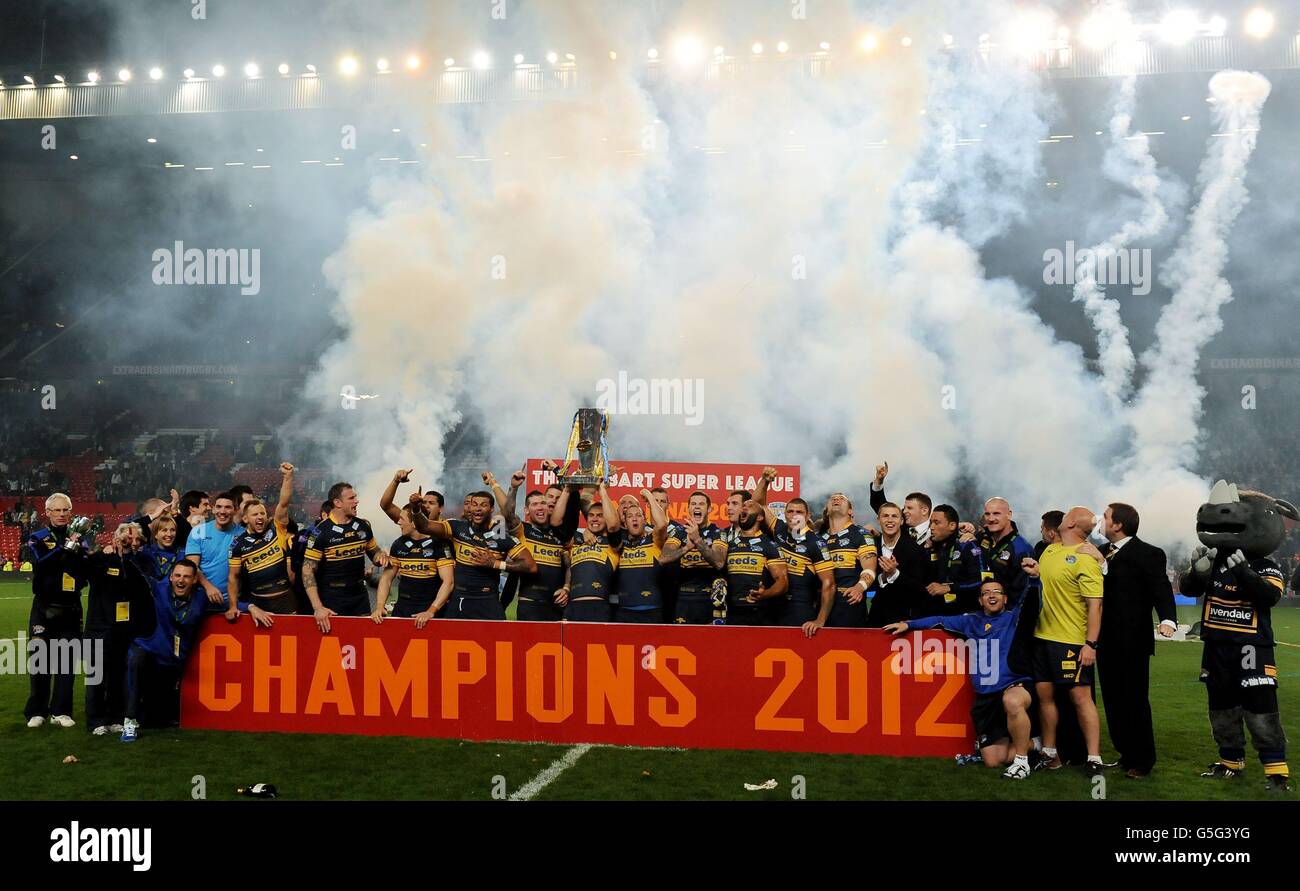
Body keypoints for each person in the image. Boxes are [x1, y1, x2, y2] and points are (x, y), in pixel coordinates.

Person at [885, 580, 1037, 779]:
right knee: (993, 761)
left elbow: (1033, 605)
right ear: (980, 600)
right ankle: (1038, 743)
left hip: (1013, 685)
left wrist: (1034, 579)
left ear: (1005, 598)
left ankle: (1021, 762)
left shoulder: (1014, 618)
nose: (992, 596)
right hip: (985, 698)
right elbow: (939, 619)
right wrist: (909, 624)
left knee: (1013, 701)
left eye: (997, 592)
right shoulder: (970, 621)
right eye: (986, 593)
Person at [1095, 503, 1177, 779]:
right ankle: (1126, 753)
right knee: (1113, 701)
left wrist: (1168, 619)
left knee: (1134, 701)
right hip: (1103, 641)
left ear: (1118, 524)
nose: (1101, 520)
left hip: (1132, 642)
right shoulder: (1101, 552)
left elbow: (1161, 589)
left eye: (1105, 517)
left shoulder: (1149, 553)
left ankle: (1143, 760)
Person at [1022, 506, 1105, 775]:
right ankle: (1050, 754)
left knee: (1080, 697)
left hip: (1070, 641)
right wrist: (1035, 573)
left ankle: (1094, 757)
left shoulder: (1085, 558)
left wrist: (1090, 644)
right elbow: (1045, 586)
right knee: (1045, 696)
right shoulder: (1049, 550)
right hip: (1041, 637)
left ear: (1069, 522)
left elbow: (1096, 605)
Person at [410, 489, 535, 620]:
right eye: (474, 504)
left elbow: (531, 566)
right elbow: (424, 527)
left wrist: (496, 564)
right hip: (459, 599)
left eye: (483, 505)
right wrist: (415, 509)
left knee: (493, 640)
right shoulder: (457, 527)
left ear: (492, 509)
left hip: (488, 601)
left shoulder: (501, 536)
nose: (478, 508)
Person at [83, 523, 156, 735]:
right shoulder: (102, 558)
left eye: (134, 537)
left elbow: (145, 586)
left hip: (124, 629)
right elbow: (89, 571)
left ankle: (114, 716)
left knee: (117, 675)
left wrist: (132, 552)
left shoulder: (137, 563)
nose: (128, 539)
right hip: (99, 628)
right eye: (124, 534)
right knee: (97, 677)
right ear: (115, 536)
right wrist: (106, 554)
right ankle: (95, 721)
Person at [24, 493, 90, 729]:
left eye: (66, 510)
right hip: (43, 607)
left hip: (71, 607)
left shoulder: (82, 540)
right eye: (58, 510)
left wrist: (74, 549)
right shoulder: (37, 537)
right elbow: (42, 563)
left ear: (71, 512)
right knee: (40, 661)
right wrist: (67, 547)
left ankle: (61, 711)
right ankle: (37, 711)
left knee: (67, 661)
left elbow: (83, 572)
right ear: (48, 512)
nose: (62, 514)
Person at [302, 482, 391, 631]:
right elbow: (307, 570)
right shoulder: (320, 532)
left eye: (355, 497)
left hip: (359, 595)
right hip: (333, 598)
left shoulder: (363, 526)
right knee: (335, 644)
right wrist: (318, 607)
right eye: (351, 498)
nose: (357, 501)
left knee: (362, 639)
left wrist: (381, 556)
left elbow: (374, 552)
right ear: (337, 503)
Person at [755, 469, 833, 636]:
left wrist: (820, 620)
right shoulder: (779, 529)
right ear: (785, 513)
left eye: (799, 512)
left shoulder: (816, 543)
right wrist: (765, 481)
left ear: (808, 515)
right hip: (772, 605)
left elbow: (829, 584)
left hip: (799, 609)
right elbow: (758, 504)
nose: (794, 515)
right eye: (790, 511)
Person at [490, 470, 569, 622]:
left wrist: (567, 587)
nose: (540, 507)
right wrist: (514, 488)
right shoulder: (522, 530)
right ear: (526, 510)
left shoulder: (562, 534)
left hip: (558, 607)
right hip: (530, 605)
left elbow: (569, 567)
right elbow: (507, 514)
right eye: (535, 504)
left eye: (543, 503)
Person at [227, 464, 298, 617]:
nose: (260, 517)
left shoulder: (276, 529)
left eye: (262, 513)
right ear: (245, 519)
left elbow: (284, 503)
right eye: (255, 515)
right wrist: (233, 606)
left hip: (286, 600)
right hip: (259, 604)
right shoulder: (237, 544)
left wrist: (288, 477)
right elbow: (233, 577)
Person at [373, 505, 455, 627]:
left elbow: (448, 582)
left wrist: (431, 611)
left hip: (430, 610)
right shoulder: (398, 544)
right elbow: (386, 578)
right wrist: (380, 606)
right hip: (402, 608)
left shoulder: (440, 544)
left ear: (415, 523)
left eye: (402, 519)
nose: (398, 522)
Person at [719, 497, 788, 626]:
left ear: (760, 517)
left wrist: (765, 594)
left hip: (759, 613)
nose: (744, 508)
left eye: (749, 506)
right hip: (732, 613)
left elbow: (782, 581)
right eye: (743, 506)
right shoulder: (729, 544)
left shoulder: (770, 546)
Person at [661, 492, 727, 624]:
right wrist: (686, 548)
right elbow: (663, 558)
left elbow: (719, 563)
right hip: (684, 597)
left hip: (711, 598)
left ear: (709, 509)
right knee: (682, 640)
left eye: (701, 504)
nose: (697, 507)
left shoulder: (718, 533)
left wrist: (697, 540)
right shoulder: (679, 532)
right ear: (689, 508)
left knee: (711, 642)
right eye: (693, 504)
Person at [560, 487, 622, 622]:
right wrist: (593, 480)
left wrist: (602, 489)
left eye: (600, 516)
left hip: (598, 607)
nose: (595, 519)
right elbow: (582, 500)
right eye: (591, 515)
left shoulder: (613, 543)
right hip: (572, 607)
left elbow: (612, 525)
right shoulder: (576, 538)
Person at [818, 492, 878, 628]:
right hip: (820, 606)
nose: (836, 499)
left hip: (848, 605)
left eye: (842, 499)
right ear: (827, 511)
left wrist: (859, 587)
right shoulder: (817, 539)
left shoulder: (861, 534)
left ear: (851, 511)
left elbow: (870, 568)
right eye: (832, 498)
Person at [612, 491, 671, 623]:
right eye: (630, 516)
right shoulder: (618, 541)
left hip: (652, 611)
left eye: (638, 515)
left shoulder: (654, 539)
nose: (634, 518)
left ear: (645, 521)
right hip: (623, 611)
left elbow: (662, 524)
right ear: (625, 523)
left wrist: (649, 496)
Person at [867, 501, 929, 625]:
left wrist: (895, 574)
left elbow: (921, 587)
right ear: (878, 520)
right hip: (875, 618)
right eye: (885, 516)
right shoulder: (870, 546)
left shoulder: (916, 549)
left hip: (905, 620)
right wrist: (883, 577)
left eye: (894, 516)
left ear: (901, 521)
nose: (890, 520)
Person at [184, 492, 244, 614]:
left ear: (235, 510)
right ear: (213, 509)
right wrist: (208, 587)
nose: (222, 511)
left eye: (227, 507)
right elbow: (191, 566)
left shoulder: (243, 534)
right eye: (218, 507)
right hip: (201, 599)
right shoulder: (198, 531)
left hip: (233, 603)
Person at [968, 498, 1035, 606]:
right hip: (977, 611)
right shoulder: (980, 538)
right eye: (987, 514)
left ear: (1009, 514)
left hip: (1004, 616)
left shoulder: (1021, 548)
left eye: (996, 513)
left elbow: (1022, 594)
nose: (991, 518)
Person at [923, 505, 984, 616]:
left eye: (936, 523)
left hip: (963, 615)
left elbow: (980, 581)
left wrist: (949, 587)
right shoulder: (930, 547)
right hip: (934, 614)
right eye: (930, 523)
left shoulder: (968, 546)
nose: (931, 527)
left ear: (952, 526)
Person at [869, 461, 932, 545]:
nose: (904, 511)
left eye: (909, 508)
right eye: (905, 507)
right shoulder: (901, 524)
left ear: (924, 510)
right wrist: (879, 481)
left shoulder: (936, 530)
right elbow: (880, 505)